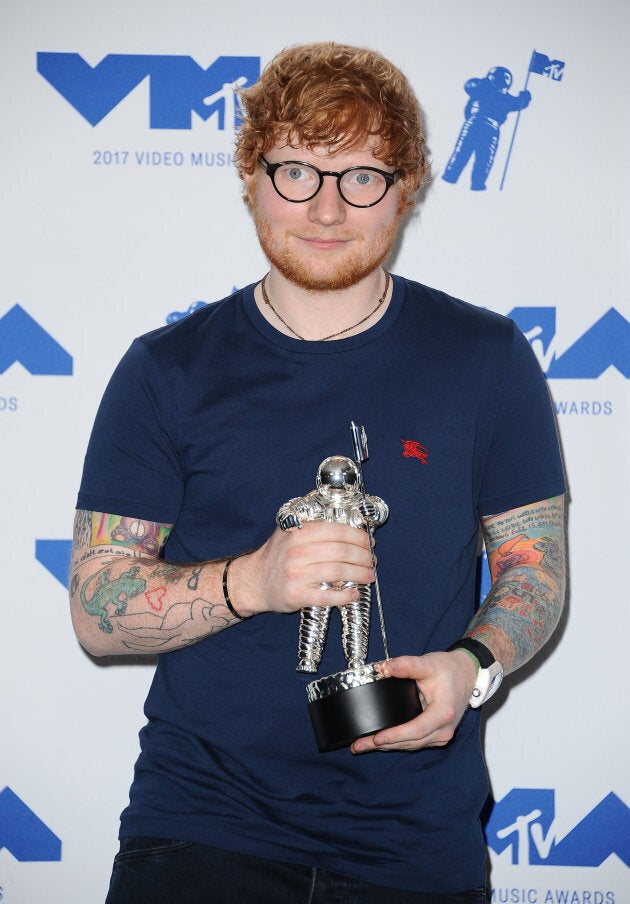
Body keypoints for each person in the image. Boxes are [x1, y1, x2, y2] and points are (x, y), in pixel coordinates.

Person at [70, 42, 566, 903]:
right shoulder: (167, 370)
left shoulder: (486, 360)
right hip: (201, 830)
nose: (328, 208)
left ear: (404, 190)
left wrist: (473, 669)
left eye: (363, 177)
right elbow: (96, 610)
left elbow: (536, 566)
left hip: (416, 846)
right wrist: (251, 581)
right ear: (252, 181)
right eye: (297, 170)